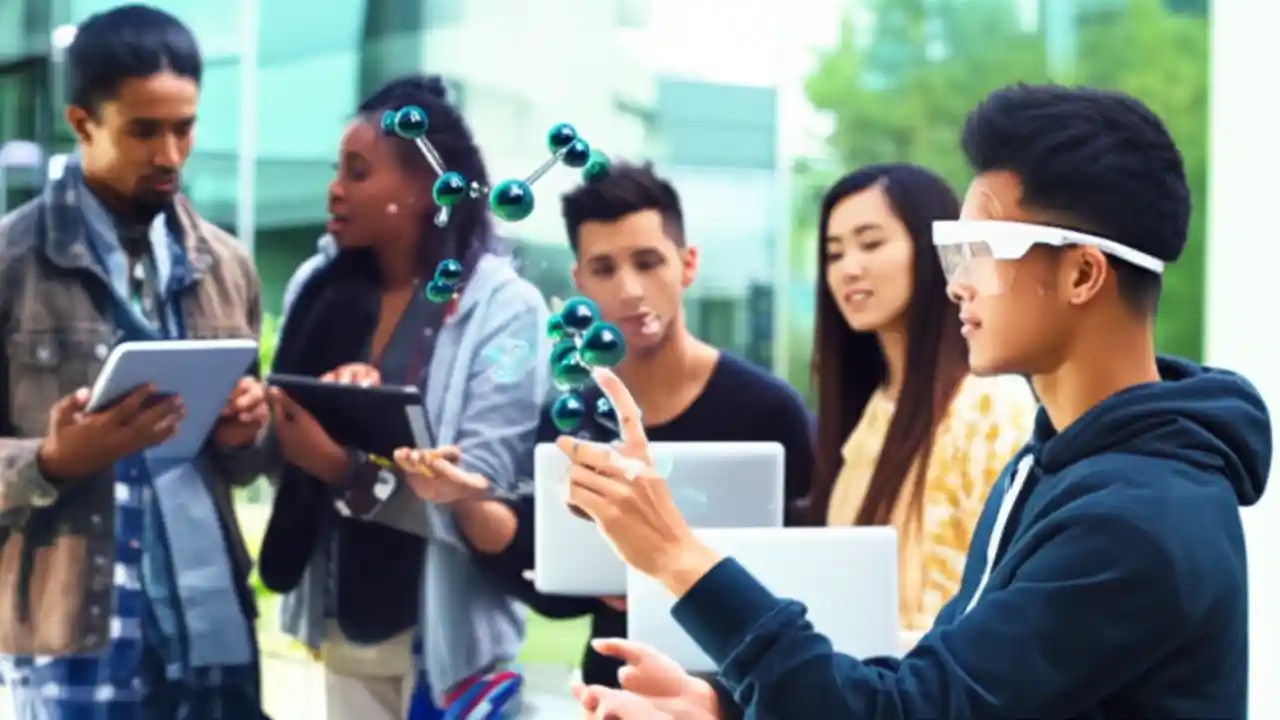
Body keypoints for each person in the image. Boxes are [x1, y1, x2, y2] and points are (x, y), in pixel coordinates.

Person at [561, 83, 1270, 719]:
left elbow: (907, 713)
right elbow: (934, 685)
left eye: (979, 250)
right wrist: (725, 707)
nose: (957, 282)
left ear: (1083, 274)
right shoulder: (1051, 465)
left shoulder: (1138, 523)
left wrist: (676, 554)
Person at [393, 162, 815, 689]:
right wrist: (461, 498)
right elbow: (548, 585)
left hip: (743, 691)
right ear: (580, 282)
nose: (630, 289)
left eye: (648, 262)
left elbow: (814, 567)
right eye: (604, 268)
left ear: (687, 265)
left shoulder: (768, 411)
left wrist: (674, 572)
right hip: (616, 689)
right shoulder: (573, 421)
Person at [0, 5, 270, 718]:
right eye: (144, 130)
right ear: (81, 123)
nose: (171, 154)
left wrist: (246, 431)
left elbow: (249, 464)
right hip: (73, 638)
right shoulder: (12, 264)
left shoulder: (227, 265)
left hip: (211, 628)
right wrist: (52, 459)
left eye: (185, 127)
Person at [256, 74, 546, 719]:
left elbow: (479, 492)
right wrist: (270, 419)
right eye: (337, 169)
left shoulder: (504, 309)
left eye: (358, 172)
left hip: (450, 652)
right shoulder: (316, 285)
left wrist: (341, 464)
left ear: (423, 190)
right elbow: (283, 456)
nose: (335, 188)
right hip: (343, 627)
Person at [804, 163, 1034, 642]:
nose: (849, 268)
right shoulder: (871, 411)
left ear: (934, 252)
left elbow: (1006, 596)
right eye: (834, 253)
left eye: (871, 244)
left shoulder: (989, 406)